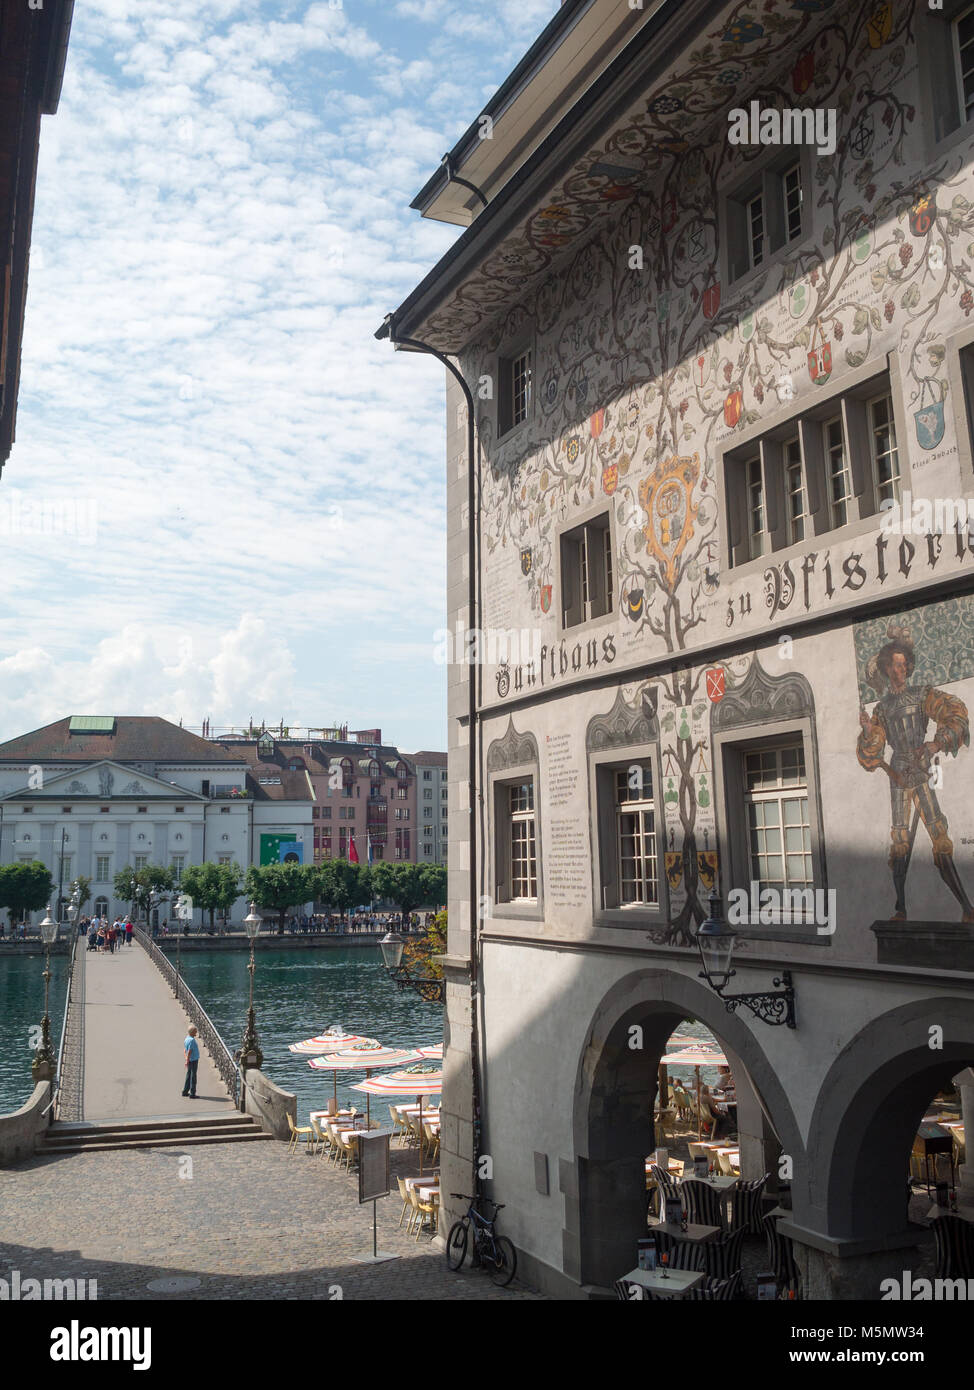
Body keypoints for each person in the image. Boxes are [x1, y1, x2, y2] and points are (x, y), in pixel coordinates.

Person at [182, 1025, 200, 1098]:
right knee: (193, 1077)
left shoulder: (186, 1039)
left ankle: (185, 1091)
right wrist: (187, 1060)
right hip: (193, 1060)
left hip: (190, 1060)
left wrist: (186, 1059)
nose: (196, 1032)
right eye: (195, 1031)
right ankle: (192, 1093)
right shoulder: (192, 1040)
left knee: (188, 1075)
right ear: (192, 1032)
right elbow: (189, 1051)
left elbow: (184, 1050)